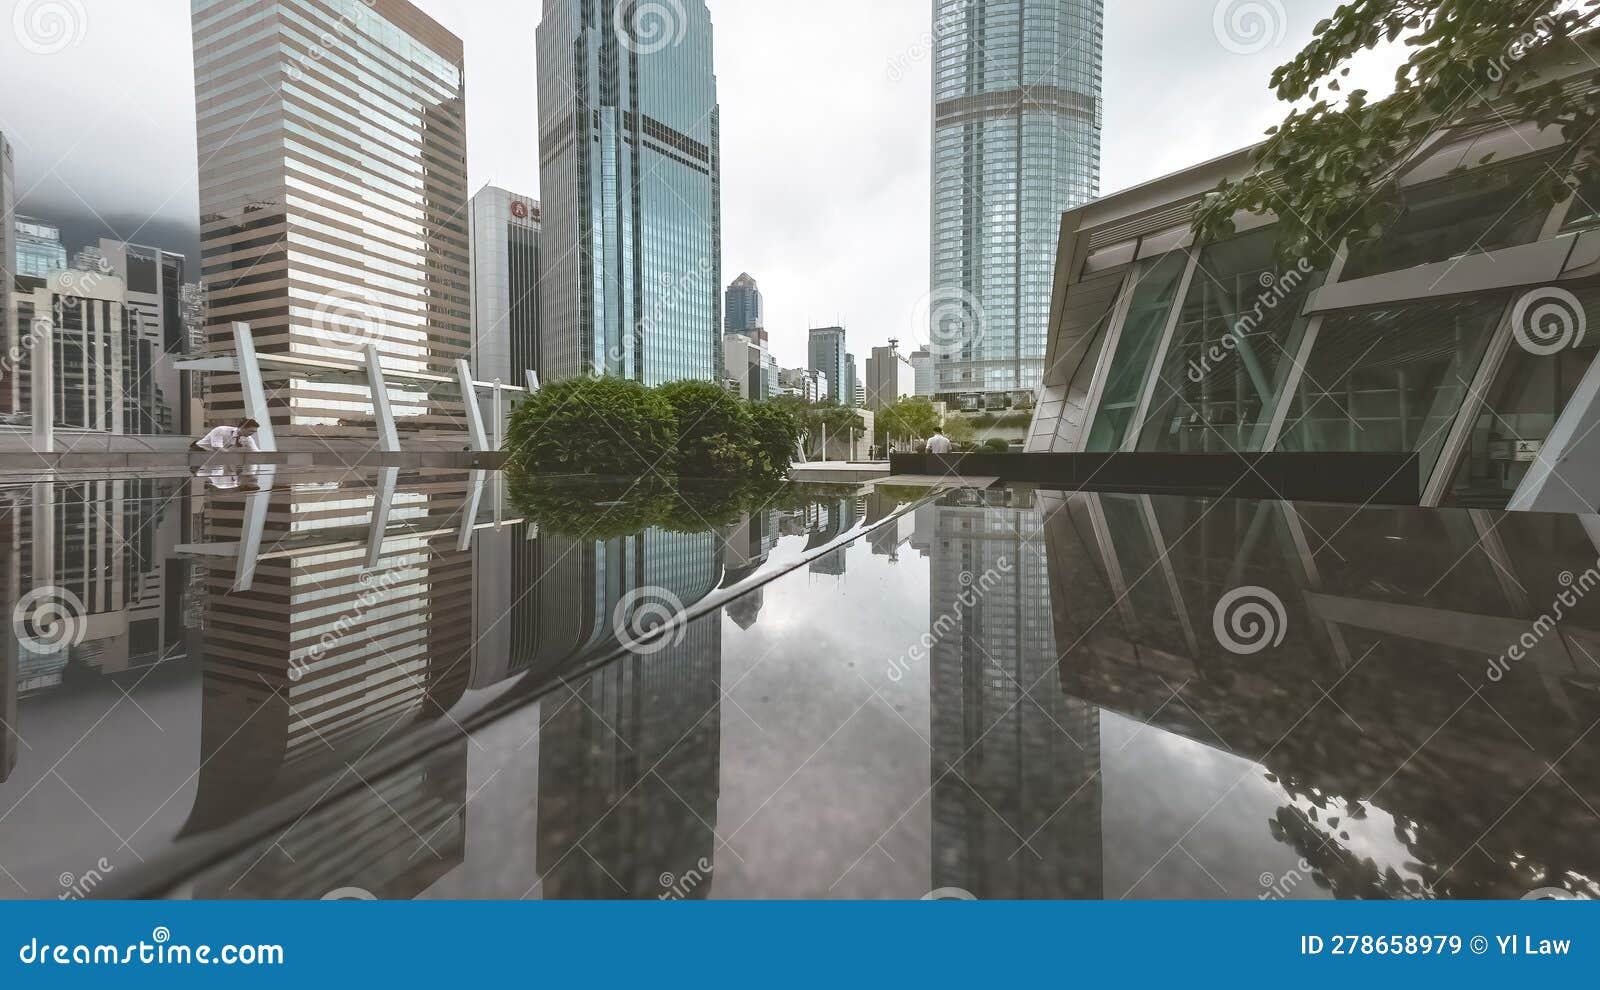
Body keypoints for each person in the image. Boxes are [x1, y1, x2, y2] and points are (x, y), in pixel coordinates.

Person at [192, 418, 262, 453]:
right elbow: (217, 447)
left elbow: (255, 452)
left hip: (214, 454)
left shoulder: (248, 438)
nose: (252, 433)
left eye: (254, 432)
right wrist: (233, 456)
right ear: (242, 428)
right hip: (199, 450)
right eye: (251, 431)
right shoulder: (221, 430)